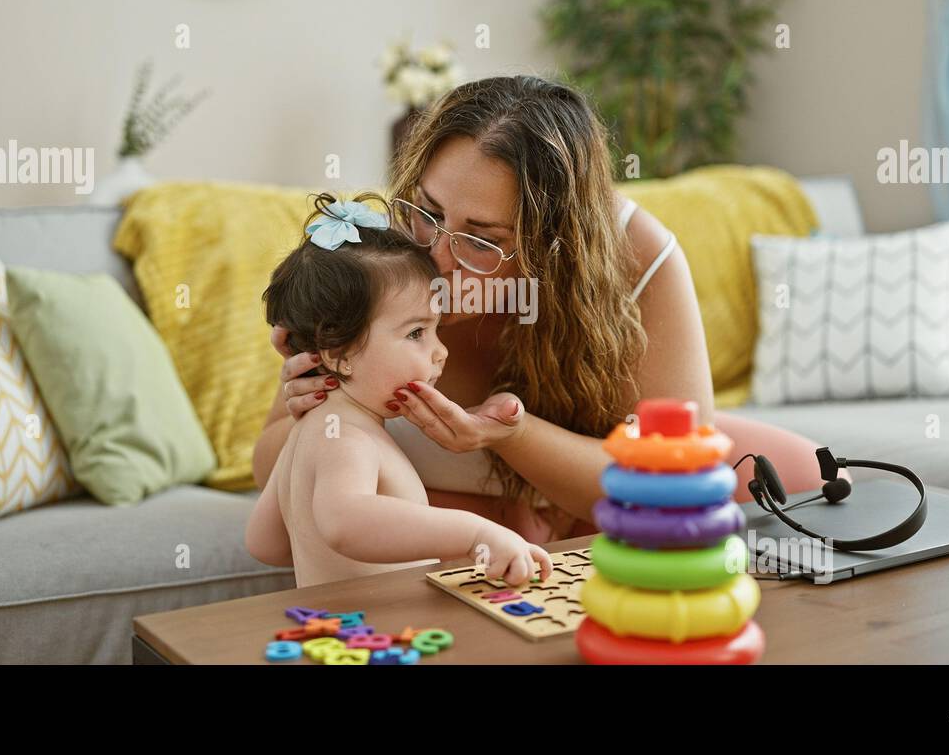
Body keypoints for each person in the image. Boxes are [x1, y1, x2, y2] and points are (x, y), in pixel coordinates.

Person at [254, 75, 848, 544]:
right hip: (445, 504)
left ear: (555, 245)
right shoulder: (374, 270)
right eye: (426, 211)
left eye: (482, 239)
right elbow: (274, 481)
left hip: (606, 488)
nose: (433, 258)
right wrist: (310, 406)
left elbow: (672, 484)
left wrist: (510, 435)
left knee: (819, 483)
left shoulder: (637, 258)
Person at [244, 191, 553, 587]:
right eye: (416, 333)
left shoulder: (313, 428)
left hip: (347, 633)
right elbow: (344, 521)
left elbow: (263, 543)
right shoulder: (344, 434)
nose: (440, 352)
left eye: (435, 330)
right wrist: (476, 532)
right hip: (373, 638)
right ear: (339, 353)